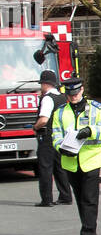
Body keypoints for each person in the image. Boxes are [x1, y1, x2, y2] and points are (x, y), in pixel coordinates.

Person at [51, 77, 101, 235]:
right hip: (70, 161)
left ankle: (87, 234)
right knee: (79, 197)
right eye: (70, 94)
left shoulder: (97, 109)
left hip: (91, 159)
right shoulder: (60, 112)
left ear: (82, 90)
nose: (73, 97)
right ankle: (90, 227)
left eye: (76, 93)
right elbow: (55, 134)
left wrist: (90, 130)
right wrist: (59, 147)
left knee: (89, 197)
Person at [33, 70, 72, 207]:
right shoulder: (62, 97)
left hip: (47, 137)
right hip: (60, 136)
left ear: (45, 84)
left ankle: (47, 199)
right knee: (60, 167)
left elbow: (43, 120)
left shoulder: (47, 98)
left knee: (45, 168)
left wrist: (35, 127)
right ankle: (66, 196)